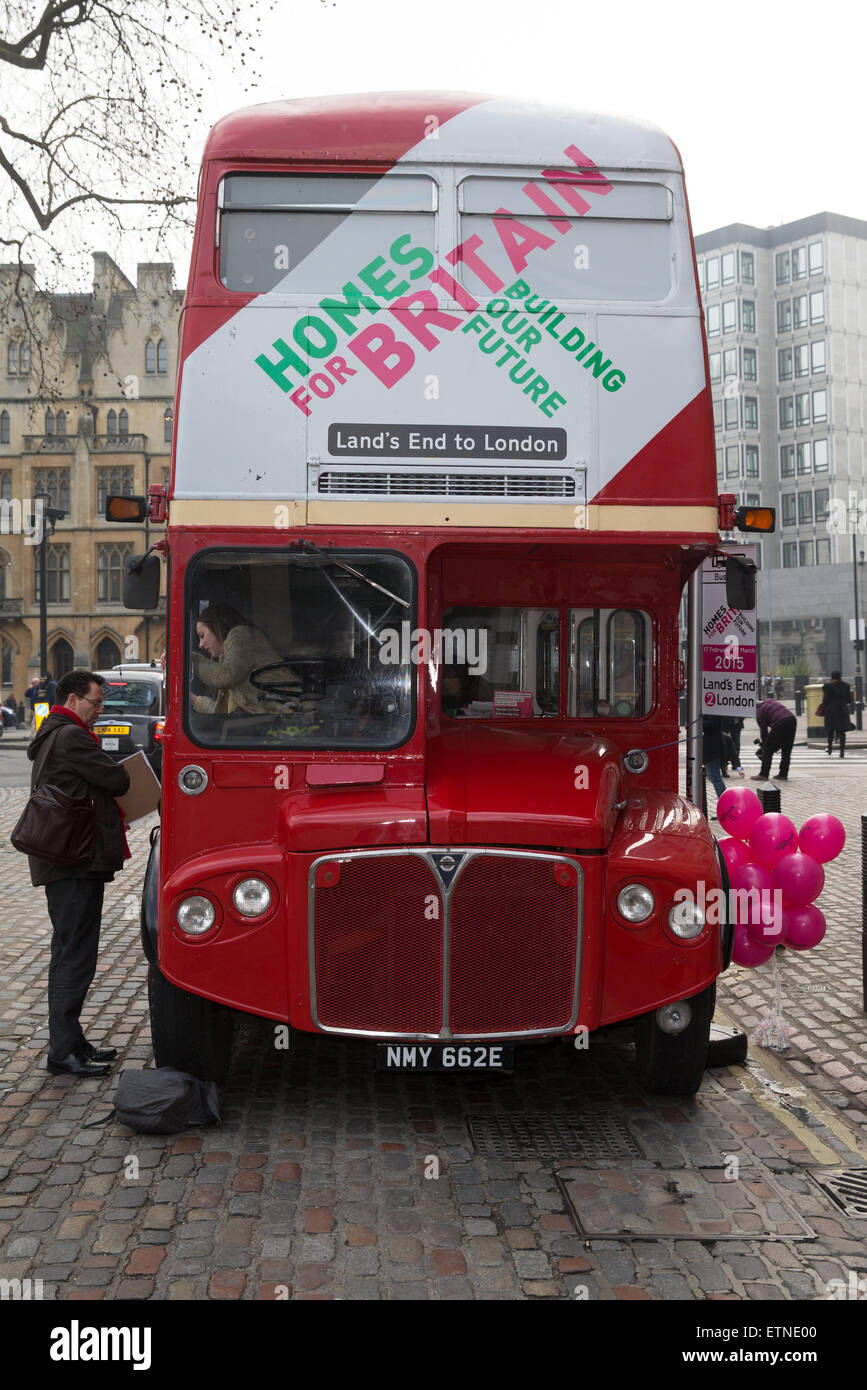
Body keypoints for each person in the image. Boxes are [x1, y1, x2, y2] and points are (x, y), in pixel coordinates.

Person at [28, 670, 131, 1077]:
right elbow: (118, 779)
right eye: (95, 702)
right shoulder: (71, 736)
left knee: (69, 953)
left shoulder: (57, 733)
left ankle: (71, 1041)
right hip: (72, 863)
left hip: (68, 859)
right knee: (74, 957)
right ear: (72, 700)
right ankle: (63, 1052)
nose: (100, 710)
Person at [191, 603, 300, 715]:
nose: (201, 644)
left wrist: (193, 659)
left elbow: (225, 676)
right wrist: (191, 698)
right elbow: (224, 711)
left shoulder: (241, 635)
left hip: (291, 714)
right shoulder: (231, 660)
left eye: (202, 635)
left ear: (217, 626)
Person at [752, 696, 798, 781]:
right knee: (786, 750)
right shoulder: (769, 700)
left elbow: (764, 732)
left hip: (780, 722)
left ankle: (763, 774)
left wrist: (765, 745)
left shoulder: (759, 713)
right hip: (792, 719)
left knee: (768, 750)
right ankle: (783, 774)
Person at [822, 669, 852, 759]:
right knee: (842, 731)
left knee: (830, 730)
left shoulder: (828, 686)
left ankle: (830, 748)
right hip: (842, 709)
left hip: (831, 709)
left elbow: (825, 700)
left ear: (832, 677)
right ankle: (842, 752)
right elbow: (849, 700)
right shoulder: (846, 686)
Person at [703, 715, 727, 815]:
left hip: (712, 748)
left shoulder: (712, 709)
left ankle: (725, 807)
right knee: (714, 777)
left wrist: (697, 722)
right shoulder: (710, 708)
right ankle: (725, 807)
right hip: (710, 747)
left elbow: (714, 724)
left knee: (715, 778)